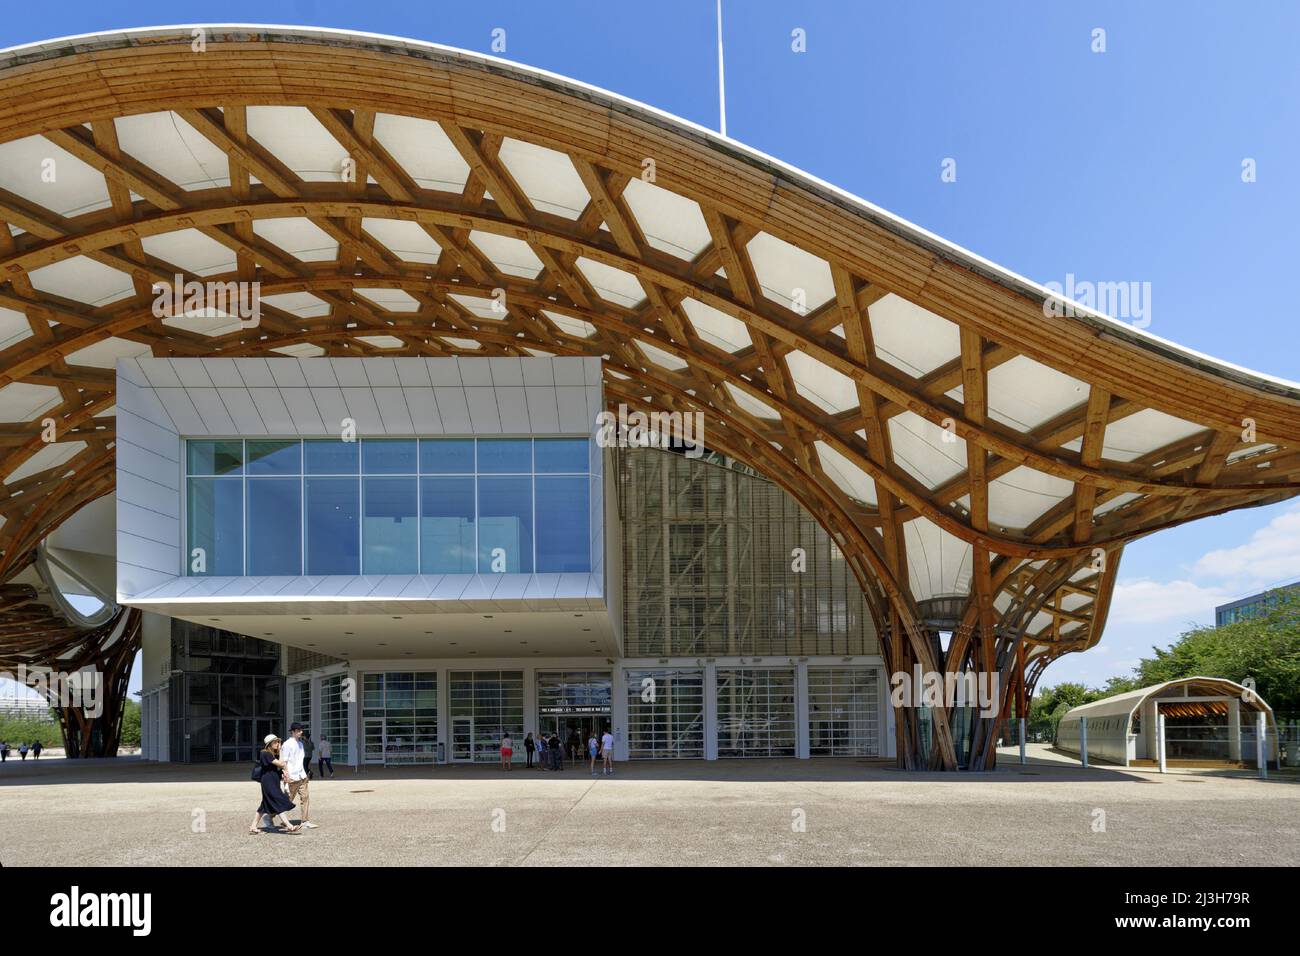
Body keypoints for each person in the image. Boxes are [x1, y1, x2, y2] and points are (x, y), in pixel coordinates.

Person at [249, 735, 300, 834]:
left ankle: (253, 826)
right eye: (276, 742)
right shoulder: (265, 753)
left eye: (278, 742)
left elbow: (276, 769)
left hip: (273, 781)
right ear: (269, 744)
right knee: (277, 801)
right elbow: (282, 764)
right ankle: (289, 826)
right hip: (268, 782)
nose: (278, 744)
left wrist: (283, 773)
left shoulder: (273, 754)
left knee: (264, 805)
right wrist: (285, 770)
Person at [281, 722, 317, 829]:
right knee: (287, 801)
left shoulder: (301, 744)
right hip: (292, 777)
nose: (301, 732)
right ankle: (270, 816)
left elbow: (301, 760)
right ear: (293, 732)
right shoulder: (287, 744)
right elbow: (284, 762)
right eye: (299, 731)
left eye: (301, 730)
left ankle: (305, 821)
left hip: (302, 775)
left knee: (305, 797)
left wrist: (305, 773)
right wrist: (286, 777)